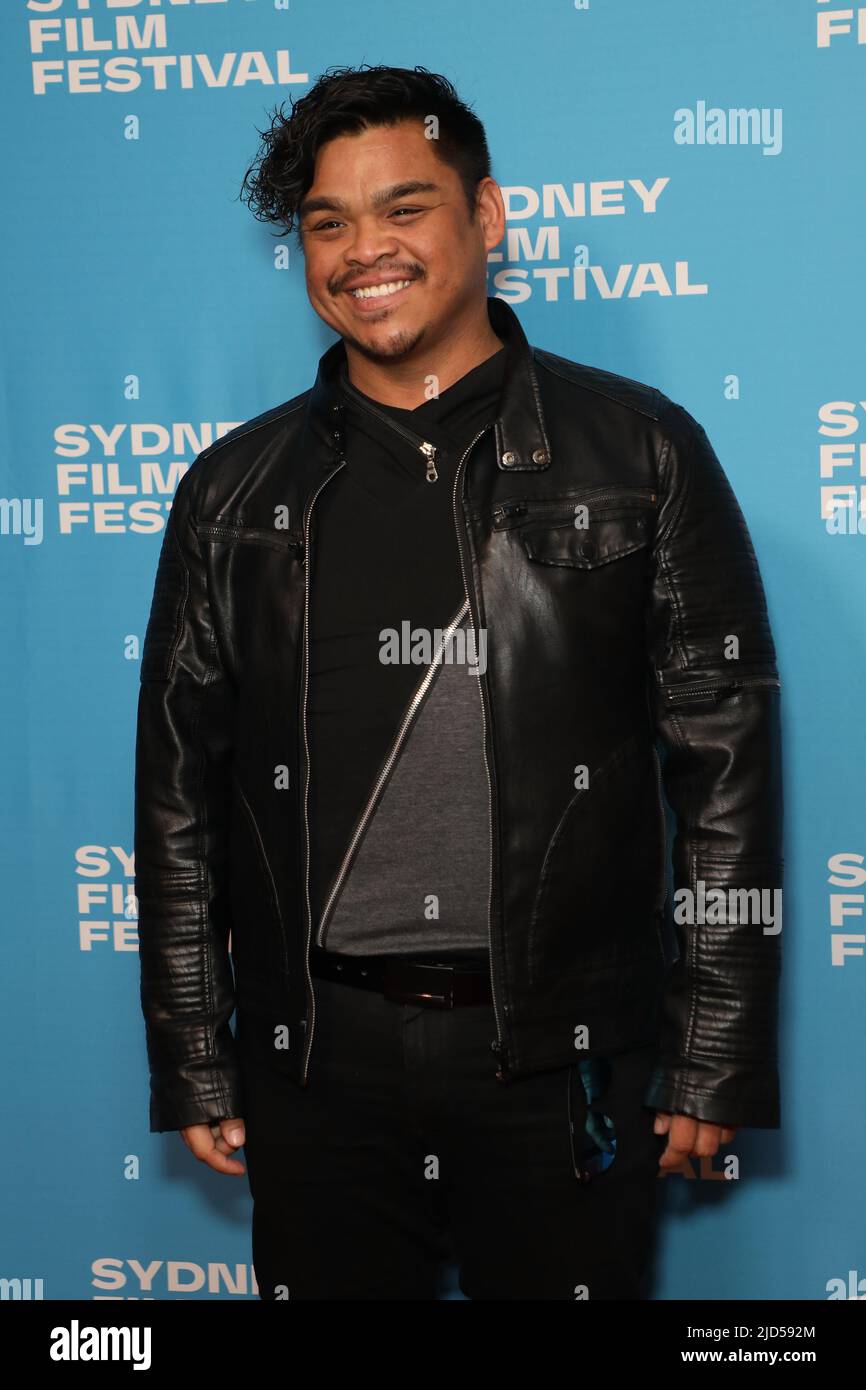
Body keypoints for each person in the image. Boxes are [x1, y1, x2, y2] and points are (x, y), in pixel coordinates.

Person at [134, 64, 783, 1300]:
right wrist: (193, 1054)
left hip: (559, 1056)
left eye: (403, 208)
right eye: (327, 223)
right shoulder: (230, 493)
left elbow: (724, 777)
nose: (362, 251)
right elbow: (178, 798)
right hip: (316, 1058)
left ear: (486, 217)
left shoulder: (640, 453)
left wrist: (712, 1051)